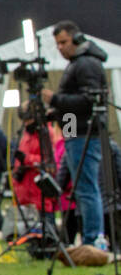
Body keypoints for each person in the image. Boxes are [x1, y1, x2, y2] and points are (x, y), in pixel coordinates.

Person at [45, 20, 110, 249]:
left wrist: (55, 99)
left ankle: (94, 239)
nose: (61, 47)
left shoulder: (86, 64)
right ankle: (88, 237)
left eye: (64, 42)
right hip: (75, 133)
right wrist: (57, 112)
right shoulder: (75, 64)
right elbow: (73, 107)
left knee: (86, 187)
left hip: (86, 134)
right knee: (80, 189)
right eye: (58, 44)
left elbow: (89, 101)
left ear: (76, 39)